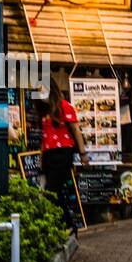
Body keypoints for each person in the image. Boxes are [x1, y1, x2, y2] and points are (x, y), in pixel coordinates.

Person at [36, 81, 88, 232]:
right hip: (48, 154)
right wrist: (40, 159)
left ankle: (66, 224)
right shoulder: (44, 110)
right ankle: (67, 225)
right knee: (52, 191)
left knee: (51, 190)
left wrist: (83, 153)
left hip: (63, 153)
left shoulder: (64, 106)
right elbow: (44, 137)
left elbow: (76, 130)